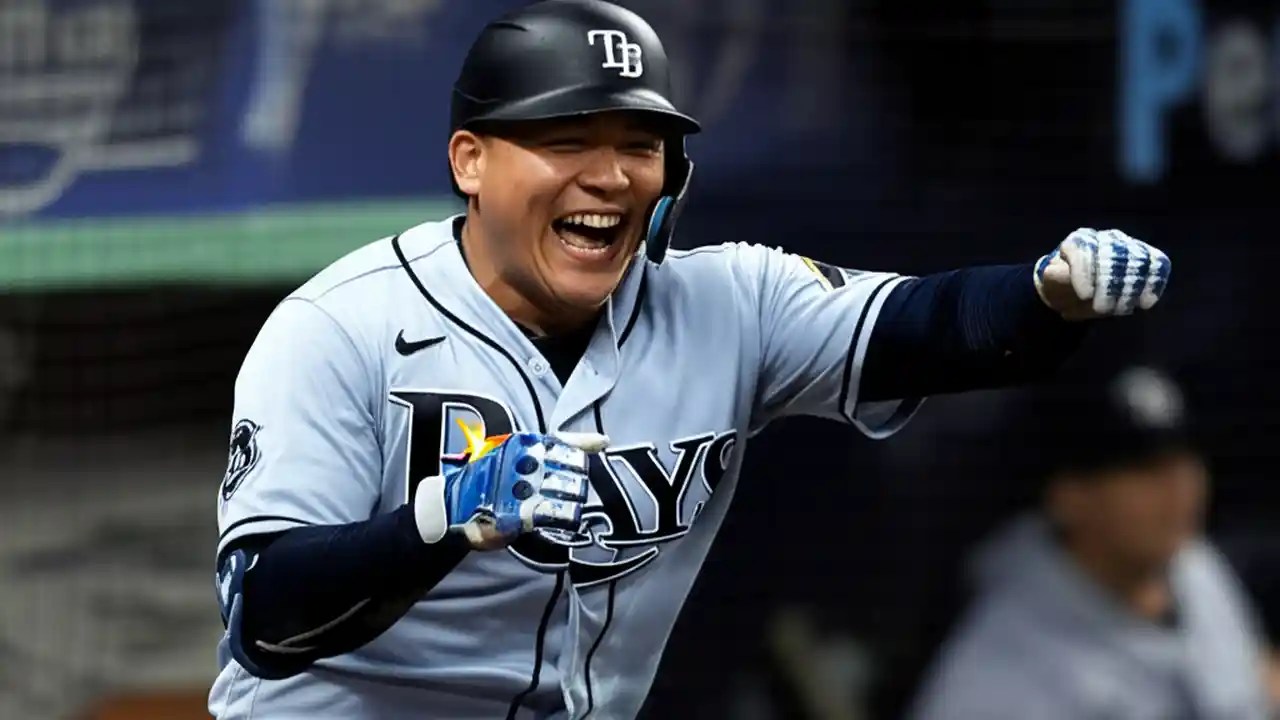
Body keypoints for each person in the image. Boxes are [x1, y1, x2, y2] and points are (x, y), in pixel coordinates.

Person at [209, 1, 1172, 717]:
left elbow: (923, 326)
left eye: (641, 144)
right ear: (471, 162)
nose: (609, 173)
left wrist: (1047, 292)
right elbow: (266, 617)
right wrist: (442, 517)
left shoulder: (727, 301)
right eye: (567, 137)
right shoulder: (339, 329)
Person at [908, 366, 1272, 720]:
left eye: (1185, 458)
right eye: (1143, 469)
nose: (1179, 487)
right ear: (1067, 498)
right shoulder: (998, 678)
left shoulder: (1193, 565)